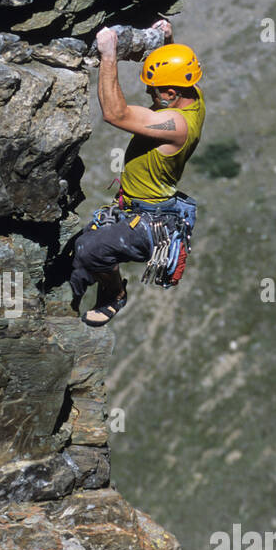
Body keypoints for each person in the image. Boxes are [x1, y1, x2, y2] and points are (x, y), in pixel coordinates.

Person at [71, 20, 205, 326]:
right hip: (143, 207)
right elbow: (178, 71)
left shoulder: (176, 126)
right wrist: (168, 42)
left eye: (155, 90)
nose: (148, 91)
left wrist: (108, 55)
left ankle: (115, 293)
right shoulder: (193, 95)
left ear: (172, 93)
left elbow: (115, 113)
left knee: (87, 249)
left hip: (150, 220)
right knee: (86, 249)